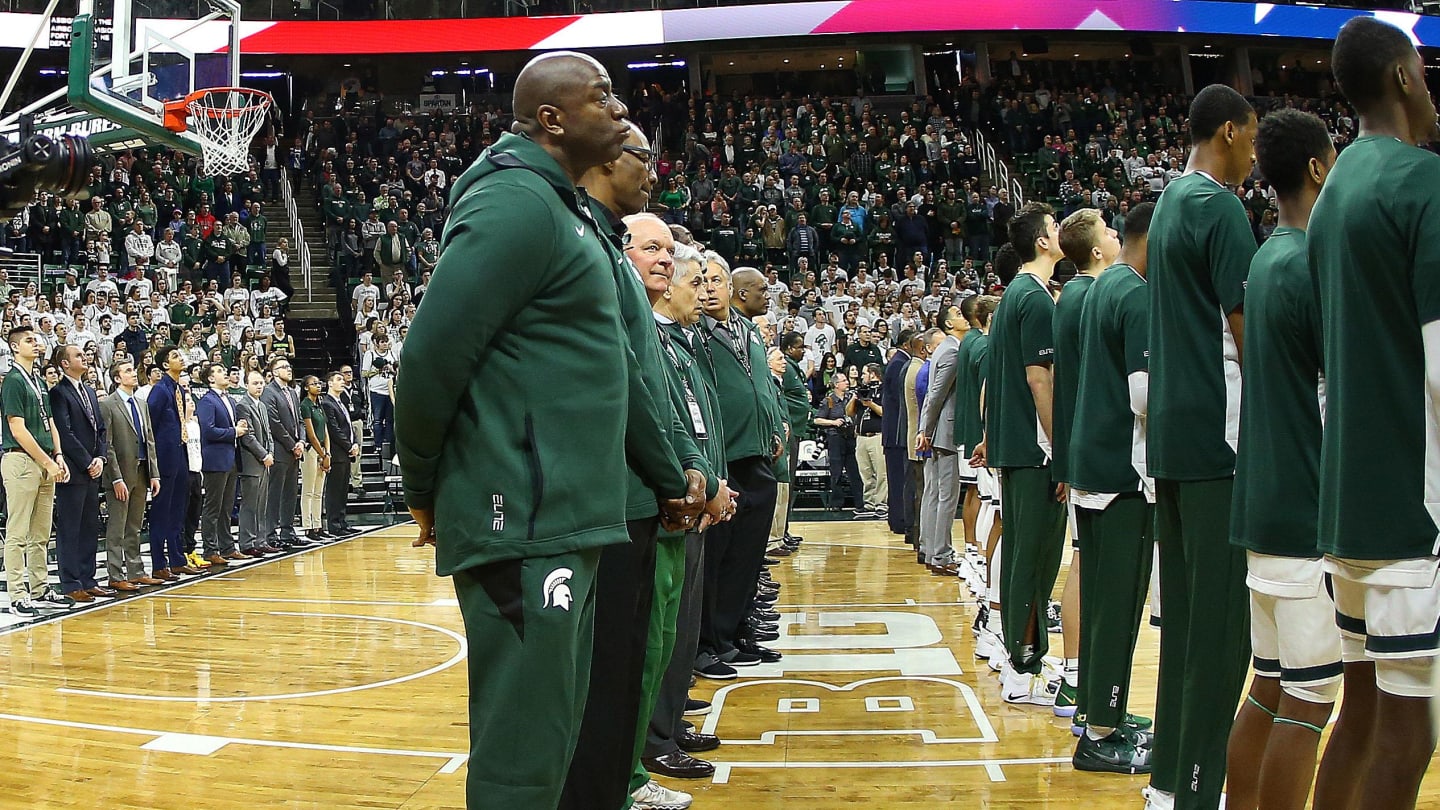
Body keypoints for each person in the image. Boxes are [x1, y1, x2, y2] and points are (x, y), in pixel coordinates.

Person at [394, 51, 649, 810]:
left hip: (567, 515)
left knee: (554, 741)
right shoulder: (513, 204)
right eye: (603, 98)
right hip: (522, 516)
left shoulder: (560, 209)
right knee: (522, 752)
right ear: (552, 119)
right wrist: (421, 485)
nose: (622, 111)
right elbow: (430, 359)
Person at [1309, 18, 1440, 810]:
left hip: (1348, 502)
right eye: (1423, 70)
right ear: (1400, 77)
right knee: (1406, 733)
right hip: (1409, 512)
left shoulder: (1335, 193)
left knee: (1359, 717)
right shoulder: (1421, 182)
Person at [560, 132, 710, 810]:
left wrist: (690, 468)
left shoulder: (656, 324)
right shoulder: (601, 283)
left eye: (670, 253)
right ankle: (618, 778)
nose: (668, 260)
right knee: (610, 662)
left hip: (653, 500)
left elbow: (670, 409)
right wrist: (678, 471)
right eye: (653, 248)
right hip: (610, 504)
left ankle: (630, 773)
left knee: (644, 650)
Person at [1220, 109, 1339, 810]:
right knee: (1308, 698)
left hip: (1262, 501)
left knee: (1268, 687)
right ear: (1320, 167)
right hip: (1301, 505)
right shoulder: (1306, 262)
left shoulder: (1267, 256)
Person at [1143, 84, 1258, 810]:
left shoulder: (1166, 203)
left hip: (1170, 436)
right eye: (1249, 135)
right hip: (1219, 434)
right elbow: (1250, 331)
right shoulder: (1219, 207)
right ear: (1226, 131)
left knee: (1185, 622)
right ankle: (1199, 792)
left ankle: (1167, 781)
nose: (1253, 150)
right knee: (1222, 631)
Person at [1065, 202, 1156, 774]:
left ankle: (1102, 712)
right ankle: (1101, 730)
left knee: (1103, 600)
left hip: (1091, 461)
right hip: (1121, 471)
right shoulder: (1137, 292)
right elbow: (1145, 398)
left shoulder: (1102, 286)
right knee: (1118, 607)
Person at [640, 244, 734, 791]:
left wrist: (715, 482)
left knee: (679, 627)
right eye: (694, 282)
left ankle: (668, 724)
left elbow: (701, 425)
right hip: (673, 502)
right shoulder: (656, 340)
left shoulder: (684, 341)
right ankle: (656, 739)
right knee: (661, 631)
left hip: (697, 495)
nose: (702, 293)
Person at [970, 202, 1067, 708]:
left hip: (1014, 445)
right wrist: (1061, 449)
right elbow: (1037, 379)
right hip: (1035, 452)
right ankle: (1021, 664)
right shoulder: (1036, 300)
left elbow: (997, 380)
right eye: (1054, 227)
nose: (1059, 231)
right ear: (1044, 242)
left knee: (1022, 554)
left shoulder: (1012, 297)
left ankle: (1019, 655)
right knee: (1034, 559)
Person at [693, 262, 784, 679]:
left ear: (731, 287)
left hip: (757, 453)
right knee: (718, 556)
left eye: (715, 280)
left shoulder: (747, 331)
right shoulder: (696, 335)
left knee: (748, 554)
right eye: (701, 281)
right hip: (725, 457)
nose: (709, 289)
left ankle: (732, 634)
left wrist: (776, 420)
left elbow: (765, 383)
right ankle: (708, 642)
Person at [1051, 208, 1121, 718]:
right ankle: (1077, 678)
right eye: (1110, 231)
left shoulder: (1074, 293)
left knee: (1087, 560)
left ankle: (1080, 679)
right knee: (1087, 562)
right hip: (1091, 449)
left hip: (1080, 448)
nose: (1118, 235)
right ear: (1096, 250)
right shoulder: (1089, 294)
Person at [2, 326, 72, 615]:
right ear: (16, 347)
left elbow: (50, 422)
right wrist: (47, 462)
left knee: (41, 533)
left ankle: (40, 587)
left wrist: (58, 455)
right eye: (29, 340)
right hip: (21, 460)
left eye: (36, 339)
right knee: (18, 532)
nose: (35, 342)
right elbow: (17, 429)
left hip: (45, 460)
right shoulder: (13, 381)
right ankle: (18, 595)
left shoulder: (39, 380)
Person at [50, 343, 111, 603]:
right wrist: (87, 461)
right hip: (73, 470)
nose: (84, 357)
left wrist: (100, 457)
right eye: (77, 355)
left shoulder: (88, 390)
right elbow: (65, 432)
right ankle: (71, 581)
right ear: (65, 363)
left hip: (92, 469)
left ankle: (88, 578)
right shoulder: (59, 393)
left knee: (90, 526)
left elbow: (100, 430)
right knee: (70, 528)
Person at [101, 359, 162, 593]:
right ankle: (115, 574)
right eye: (127, 371)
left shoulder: (141, 403)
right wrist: (115, 477)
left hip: (142, 470)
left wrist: (154, 474)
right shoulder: (108, 404)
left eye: (133, 370)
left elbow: (149, 440)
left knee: (135, 525)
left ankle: (136, 571)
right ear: (117, 378)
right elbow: (107, 446)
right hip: (121, 473)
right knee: (117, 526)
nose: (133, 374)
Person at [915, 303, 968, 573]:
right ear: (948, 324)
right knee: (946, 496)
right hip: (944, 431)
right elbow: (935, 396)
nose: (963, 317)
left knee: (933, 493)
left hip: (936, 430)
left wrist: (925, 429)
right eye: (958, 314)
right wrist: (925, 430)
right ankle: (942, 555)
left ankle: (928, 547)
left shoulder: (946, 349)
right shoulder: (952, 352)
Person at [147, 345, 198, 580]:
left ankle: (178, 559)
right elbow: (151, 427)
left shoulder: (179, 388)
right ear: (165, 364)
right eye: (175, 356)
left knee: (179, 509)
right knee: (161, 512)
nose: (181, 358)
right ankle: (159, 563)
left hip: (181, 453)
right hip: (165, 458)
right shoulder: (160, 391)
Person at [197, 361, 247, 565]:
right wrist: (234, 431)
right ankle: (210, 549)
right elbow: (208, 430)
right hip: (215, 460)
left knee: (227, 506)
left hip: (230, 458)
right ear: (210, 378)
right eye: (219, 371)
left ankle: (227, 546)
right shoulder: (207, 401)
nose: (224, 373)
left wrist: (239, 425)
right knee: (213, 507)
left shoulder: (230, 401)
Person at [262, 356, 309, 550]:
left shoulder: (292, 391)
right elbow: (274, 424)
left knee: (290, 493)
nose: (288, 369)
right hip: (280, 450)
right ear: (274, 372)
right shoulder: (269, 392)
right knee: (275, 493)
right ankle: (271, 533)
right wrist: (292, 444)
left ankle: (288, 531)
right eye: (283, 367)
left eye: (289, 366)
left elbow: (299, 420)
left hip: (294, 450)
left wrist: (302, 441)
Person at [881, 329, 920, 535]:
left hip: (895, 432)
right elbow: (901, 401)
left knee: (899, 480)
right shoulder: (899, 364)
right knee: (899, 480)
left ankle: (899, 519)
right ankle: (900, 520)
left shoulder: (897, 362)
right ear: (907, 345)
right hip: (897, 433)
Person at [236, 370, 278, 556]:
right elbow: (248, 436)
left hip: (265, 462)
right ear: (246, 385)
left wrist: (271, 453)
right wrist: (263, 455)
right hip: (251, 462)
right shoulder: (242, 406)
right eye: (255, 383)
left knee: (262, 504)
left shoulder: (261, 405)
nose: (259, 386)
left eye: (261, 383)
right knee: (250, 504)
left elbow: (268, 433)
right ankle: (247, 542)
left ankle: (260, 539)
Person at [814, 374, 861, 511]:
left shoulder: (851, 398)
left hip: (850, 437)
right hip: (835, 438)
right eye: (844, 381)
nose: (847, 382)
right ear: (836, 385)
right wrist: (833, 422)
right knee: (836, 472)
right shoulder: (828, 400)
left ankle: (859, 502)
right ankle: (836, 503)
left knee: (854, 472)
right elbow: (817, 419)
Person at [320, 371, 358, 538]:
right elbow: (334, 430)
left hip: (346, 452)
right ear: (329, 383)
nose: (342, 382)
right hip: (336, 452)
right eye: (338, 379)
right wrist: (349, 446)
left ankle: (342, 521)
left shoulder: (340, 402)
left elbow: (349, 426)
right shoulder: (327, 403)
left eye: (343, 379)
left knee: (343, 489)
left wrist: (355, 442)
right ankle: (333, 523)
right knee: (334, 489)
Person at [851, 362, 887, 519]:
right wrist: (854, 398)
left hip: (877, 436)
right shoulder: (860, 390)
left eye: (864, 373)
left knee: (881, 473)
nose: (861, 376)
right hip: (861, 437)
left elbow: (884, 412)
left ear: (873, 374)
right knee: (865, 473)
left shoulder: (884, 390)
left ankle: (882, 505)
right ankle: (869, 504)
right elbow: (849, 412)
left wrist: (870, 403)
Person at [298, 375, 329, 543]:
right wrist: (322, 454)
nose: (318, 386)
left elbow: (325, 431)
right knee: (308, 490)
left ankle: (318, 525)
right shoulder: (305, 405)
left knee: (318, 492)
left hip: (323, 449)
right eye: (313, 384)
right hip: (311, 450)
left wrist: (327, 453)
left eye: (319, 383)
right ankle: (307, 526)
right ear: (305, 387)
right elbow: (310, 433)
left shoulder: (320, 404)